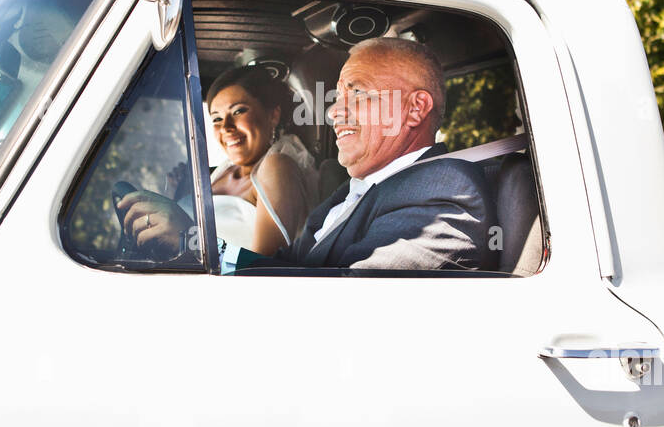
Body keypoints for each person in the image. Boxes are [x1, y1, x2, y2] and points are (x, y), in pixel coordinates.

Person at [119, 37, 494, 271]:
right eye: (337, 96)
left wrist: (194, 241)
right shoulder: (350, 190)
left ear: (415, 109)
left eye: (358, 93)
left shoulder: (446, 191)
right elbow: (287, 267)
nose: (333, 112)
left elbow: (343, 300)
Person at [205, 65, 318, 256]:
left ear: (273, 115)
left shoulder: (278, 167)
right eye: (217, 119)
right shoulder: (222, 171)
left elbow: (261, 267)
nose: (226, 127)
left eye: (239, 111)